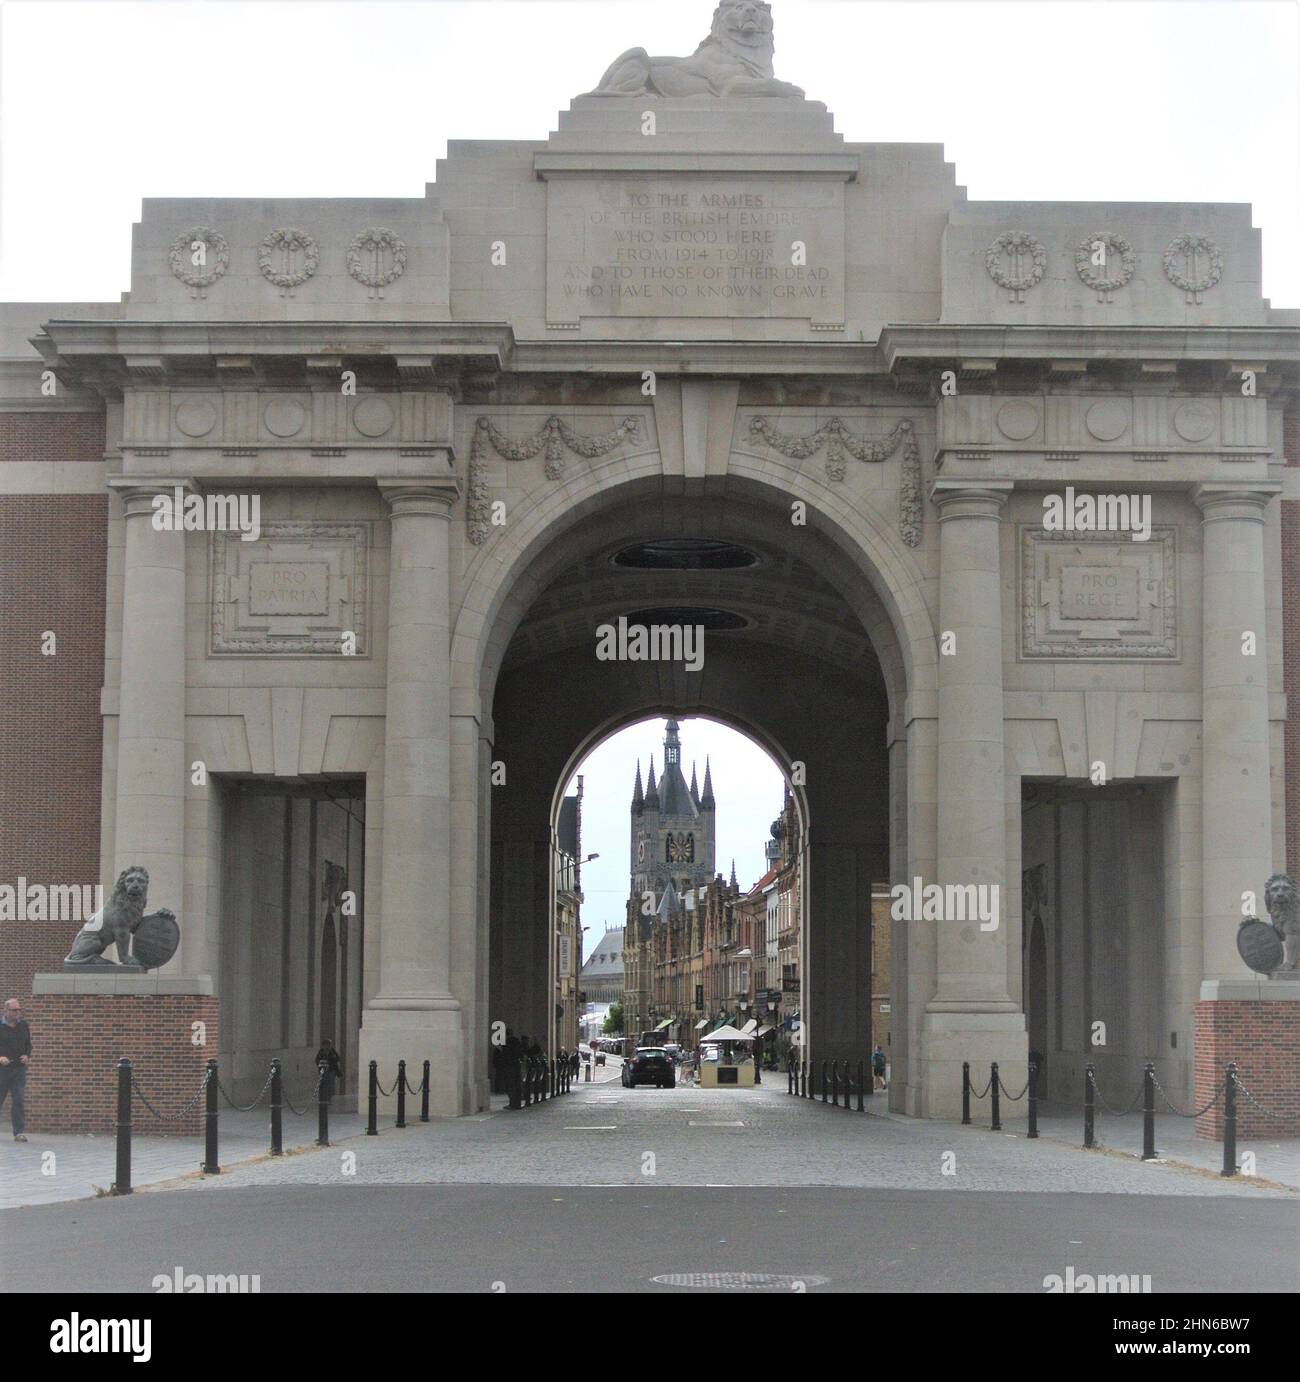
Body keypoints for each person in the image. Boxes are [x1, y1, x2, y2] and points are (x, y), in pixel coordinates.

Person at [0, 998, 31, 1141]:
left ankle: (18, 1133)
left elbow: (28, 1044)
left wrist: (27, 1055)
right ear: (5, 1011)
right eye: (14, 1010)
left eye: (19, 1009)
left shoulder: (23, 1025)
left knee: (18, 1100)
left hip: (19, 1070)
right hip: (2, 1070)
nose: (18, 1012)